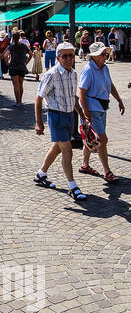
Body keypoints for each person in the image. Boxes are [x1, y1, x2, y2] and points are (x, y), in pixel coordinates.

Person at [31, 41, 86, 202]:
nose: (69, 59)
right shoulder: (51, 74)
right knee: (67, 150)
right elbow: (39, 97)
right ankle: (73, 187)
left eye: (71, 55)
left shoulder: (74, 74)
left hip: (69, 116)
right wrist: (39, 122)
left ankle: (41, 174)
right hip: (56, 116)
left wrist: (82, 115)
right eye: (65, 56)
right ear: (58, 57)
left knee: (57, 148)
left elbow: (73, 97)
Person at [78, 43, 121, 187]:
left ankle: (84, 164)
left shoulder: (105, 68)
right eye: (102, 54)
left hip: (102, 107)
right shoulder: (88, 70)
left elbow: (110, 85)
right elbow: (81, 92)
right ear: (94, 56)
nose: (105, 56)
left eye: (105, 53)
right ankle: (107, 171)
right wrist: (85, 113)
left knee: (92, 139)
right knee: (102, 139)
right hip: (92, 109)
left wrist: (119, 100)